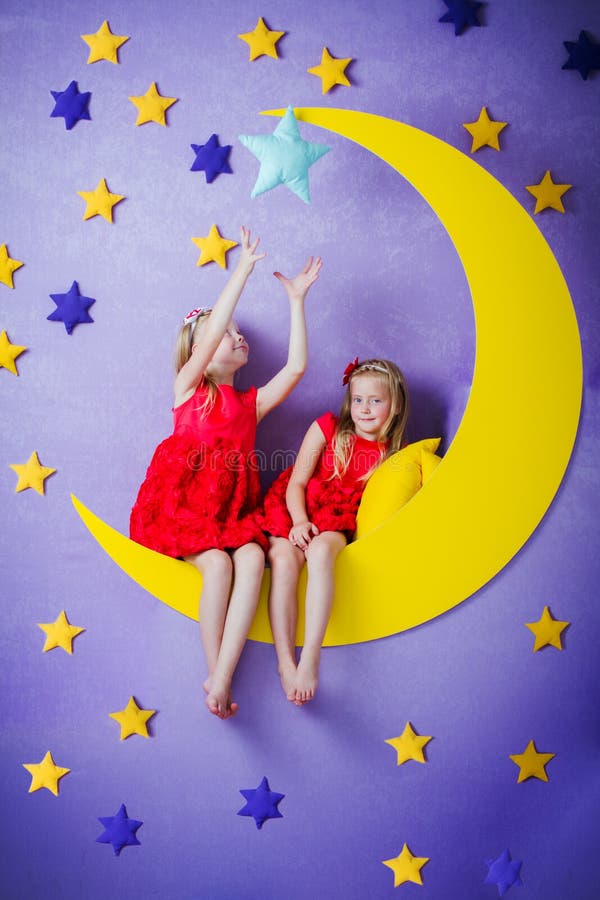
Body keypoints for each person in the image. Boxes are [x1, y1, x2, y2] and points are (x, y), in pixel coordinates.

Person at [130, 226, 322, 719]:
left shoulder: (248, 405)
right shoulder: (188, 389)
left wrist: (297, 301)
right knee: (216, 565)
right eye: (225, 332)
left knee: (253, 559)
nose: (235, 337)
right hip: (184, 503)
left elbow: (296, 368)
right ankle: (218, 675)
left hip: (230, 509)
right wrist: (242, 270)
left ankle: (218, 678)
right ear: (199, 351)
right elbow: (209, 337)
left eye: (238, 333)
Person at [262, 358, 409, 705]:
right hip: (295, 508)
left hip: (337, 519)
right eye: (359, 400)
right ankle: (285, 662)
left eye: (376, 400)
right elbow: (297, 482)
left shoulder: (392, 456)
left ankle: (311, 655)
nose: (365, 408)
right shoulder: (327, 427)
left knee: (321, 552)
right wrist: (298, 521)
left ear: (395, 404)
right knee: (283, 560)